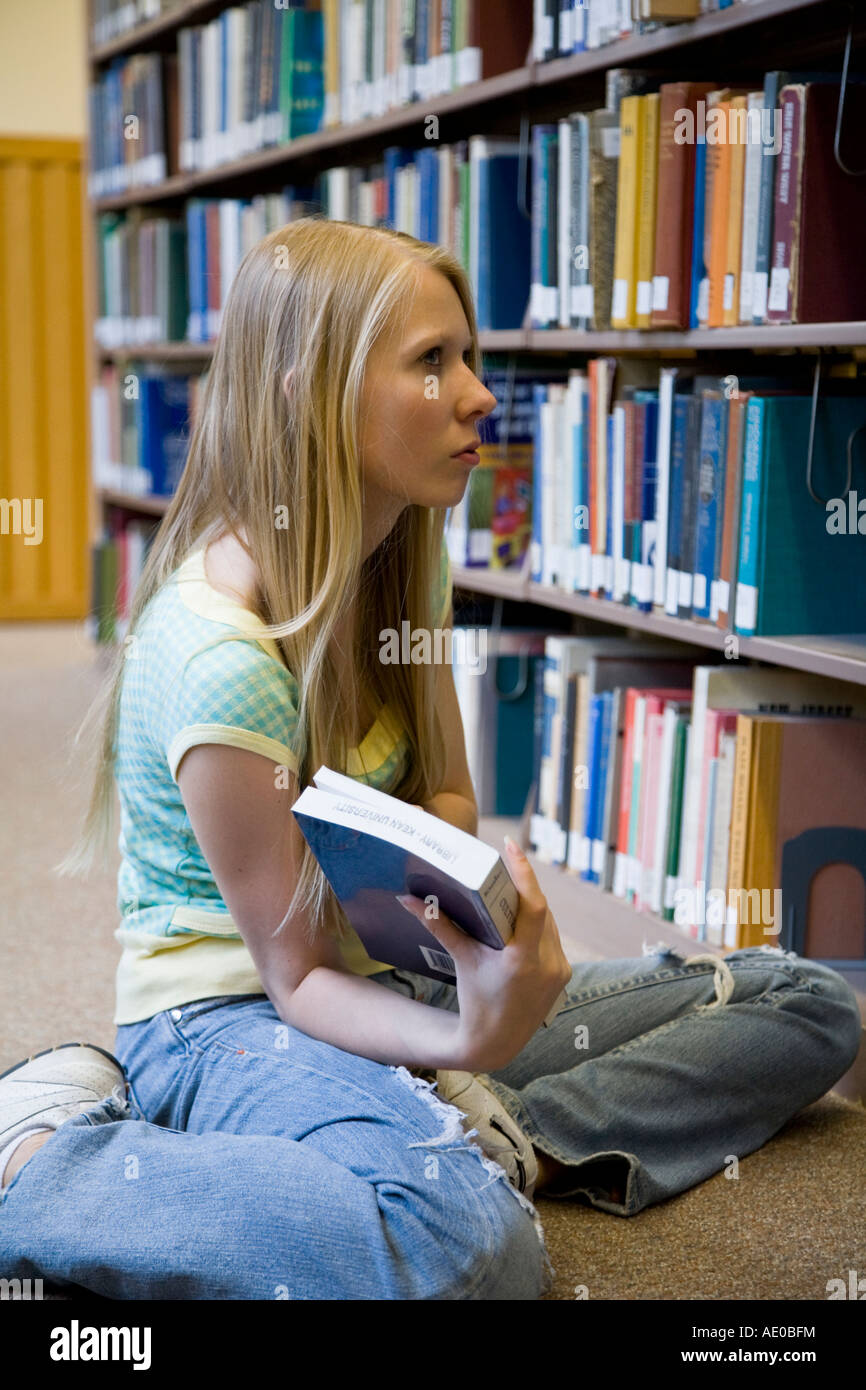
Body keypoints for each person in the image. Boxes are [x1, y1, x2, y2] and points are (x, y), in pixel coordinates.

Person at [0, 219, 860, 1302]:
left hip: (380, 969)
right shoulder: (217, 656)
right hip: (226, 1022)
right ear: (314, 389)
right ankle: (46, 1161)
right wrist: (463, 1027)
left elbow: (442, 795)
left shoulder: (402, 553)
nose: (478, 395)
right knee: (470, 1250)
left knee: (803, 1002)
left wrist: (473, 945)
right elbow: (297, 974)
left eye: (467, 356)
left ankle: (505, 1143)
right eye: (430, 362)